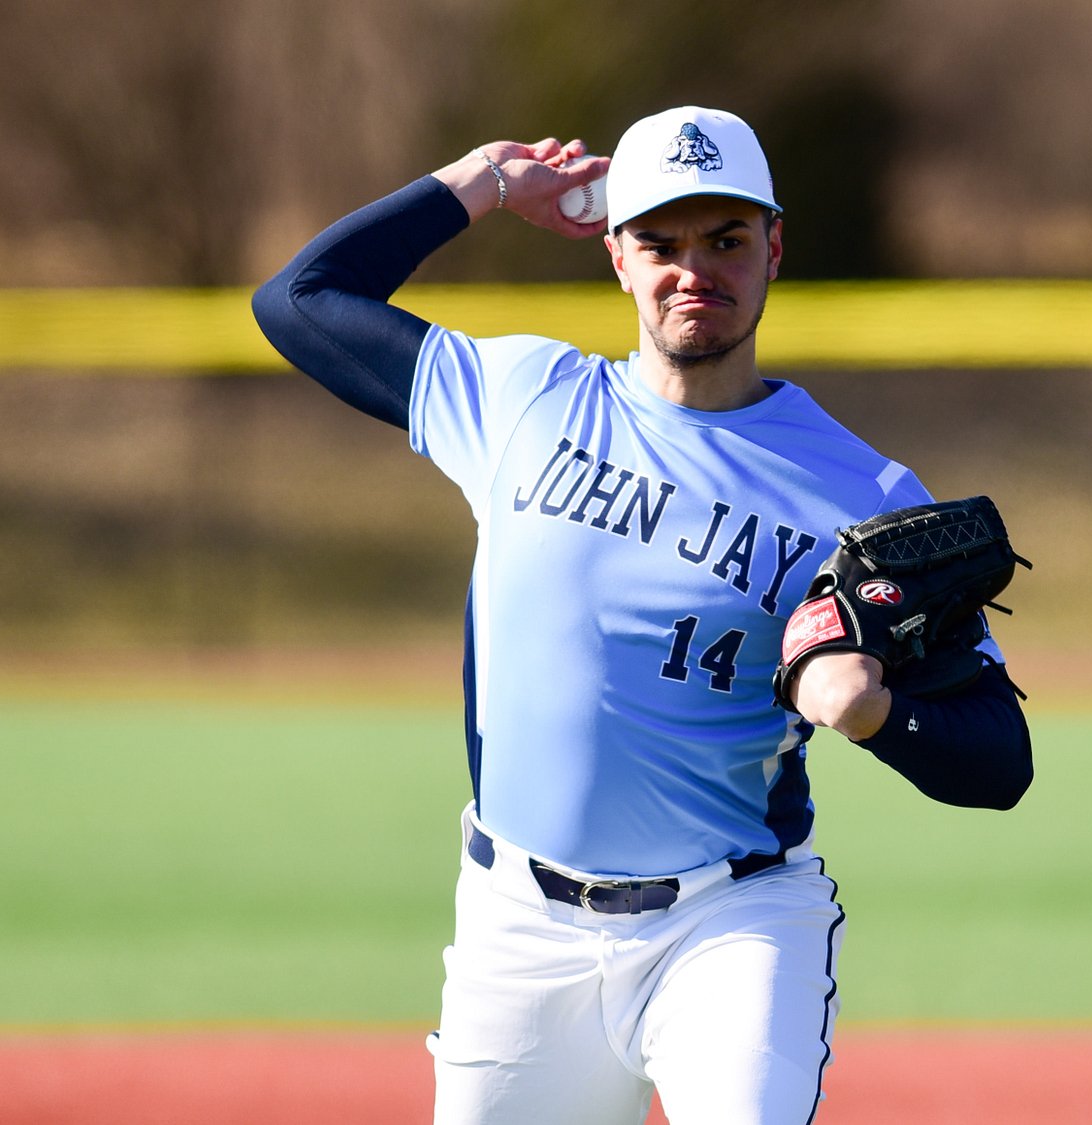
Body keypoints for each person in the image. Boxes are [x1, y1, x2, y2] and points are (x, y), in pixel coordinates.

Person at [253, 105, 1032, 1125]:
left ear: (773, 248)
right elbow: (298, 301)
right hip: (516, 931)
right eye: (659, 242)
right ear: (616, 255)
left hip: (730, 923)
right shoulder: (521, 399)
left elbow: (999, 759)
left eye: (724, 239)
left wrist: (873, 713)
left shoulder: (863, 495)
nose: (691, 270)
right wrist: (485, 179)